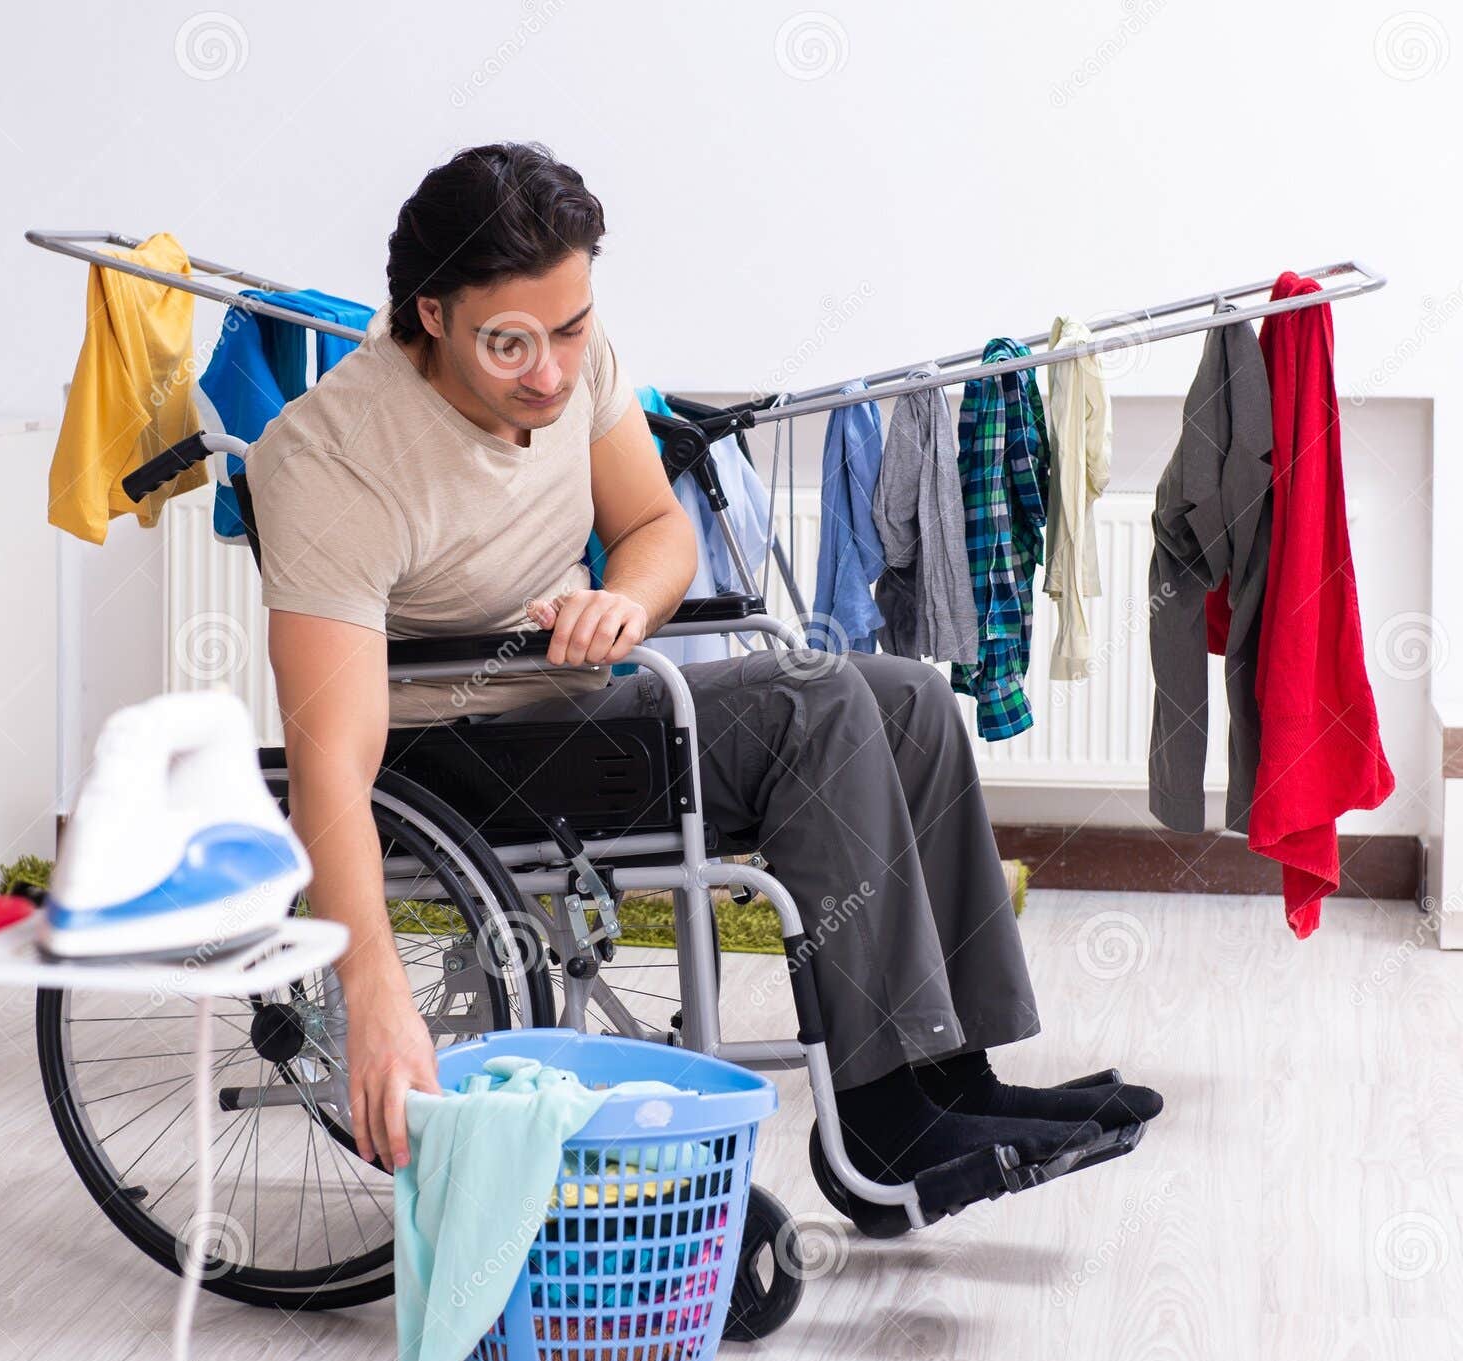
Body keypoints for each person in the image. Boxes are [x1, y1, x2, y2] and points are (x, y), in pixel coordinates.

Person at [248, 142, 1161, 1213]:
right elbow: (332, 763)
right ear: (433, 314)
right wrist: (373, 986)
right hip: (452, 761)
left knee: (906, 695)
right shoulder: (330, 458)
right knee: (810, 702)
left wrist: (625, 600)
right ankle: (877, 1122)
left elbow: (650, 527)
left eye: (571, 327)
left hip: (579, 707)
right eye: (511, 343)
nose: (551, 370)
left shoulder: (575, 362)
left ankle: (950, 1073)